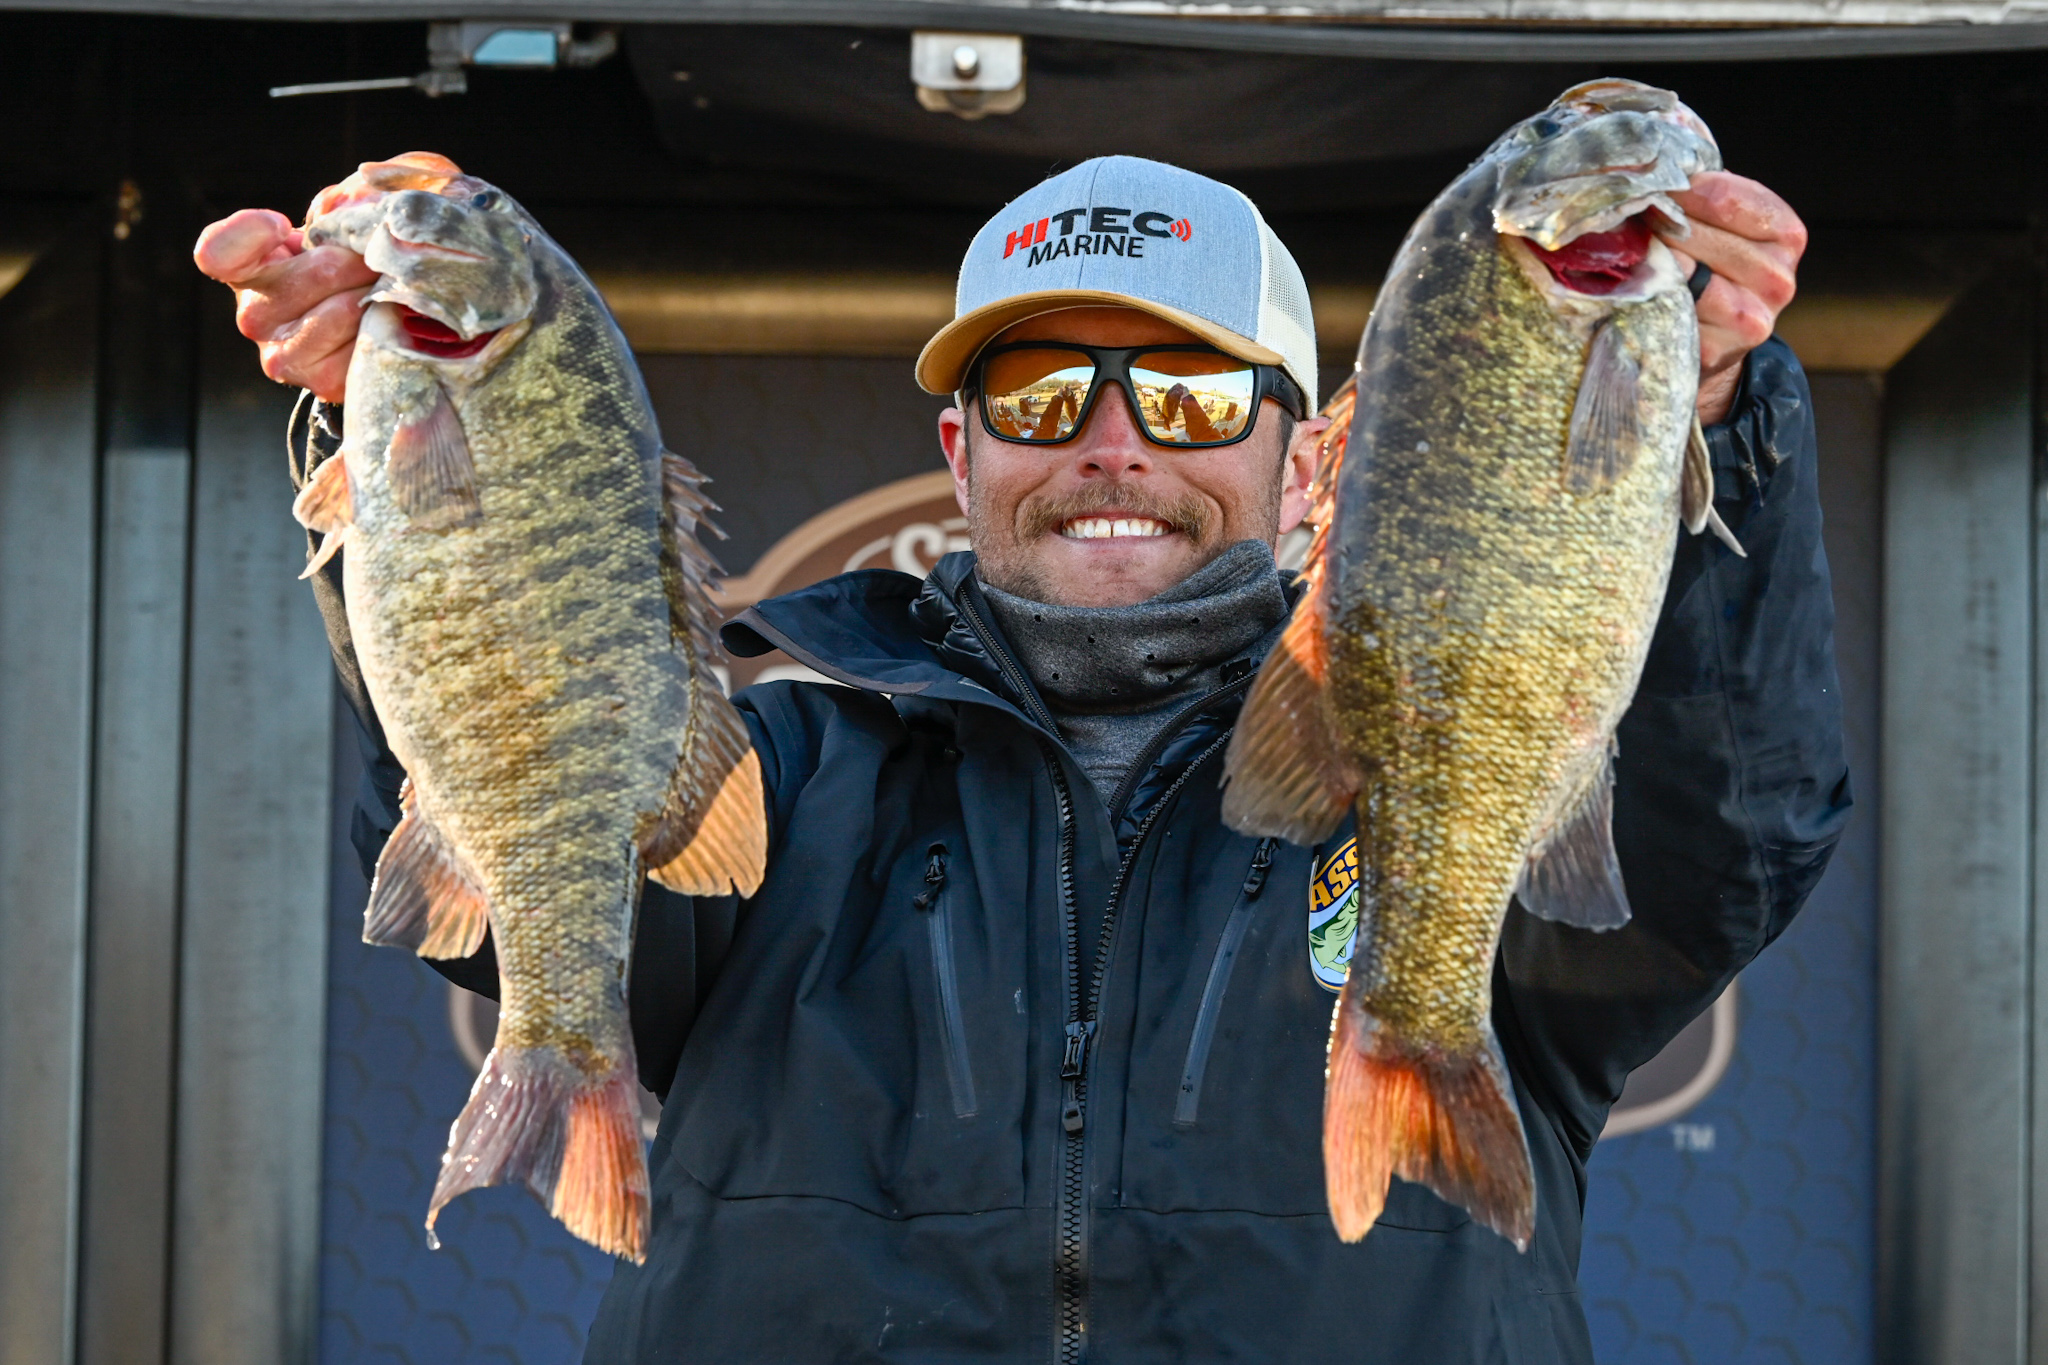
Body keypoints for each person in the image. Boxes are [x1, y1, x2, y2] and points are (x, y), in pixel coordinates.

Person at [196, 152, 1847, 1362]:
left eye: (1190, 395)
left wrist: (1713, 418)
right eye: (1046, 389)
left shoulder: (1431, 761)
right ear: (962, 449)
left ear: (1303, 458)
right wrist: (408, 442)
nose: (1113, 444)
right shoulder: (777, 768)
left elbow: (1728, 838)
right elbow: (513, 885)